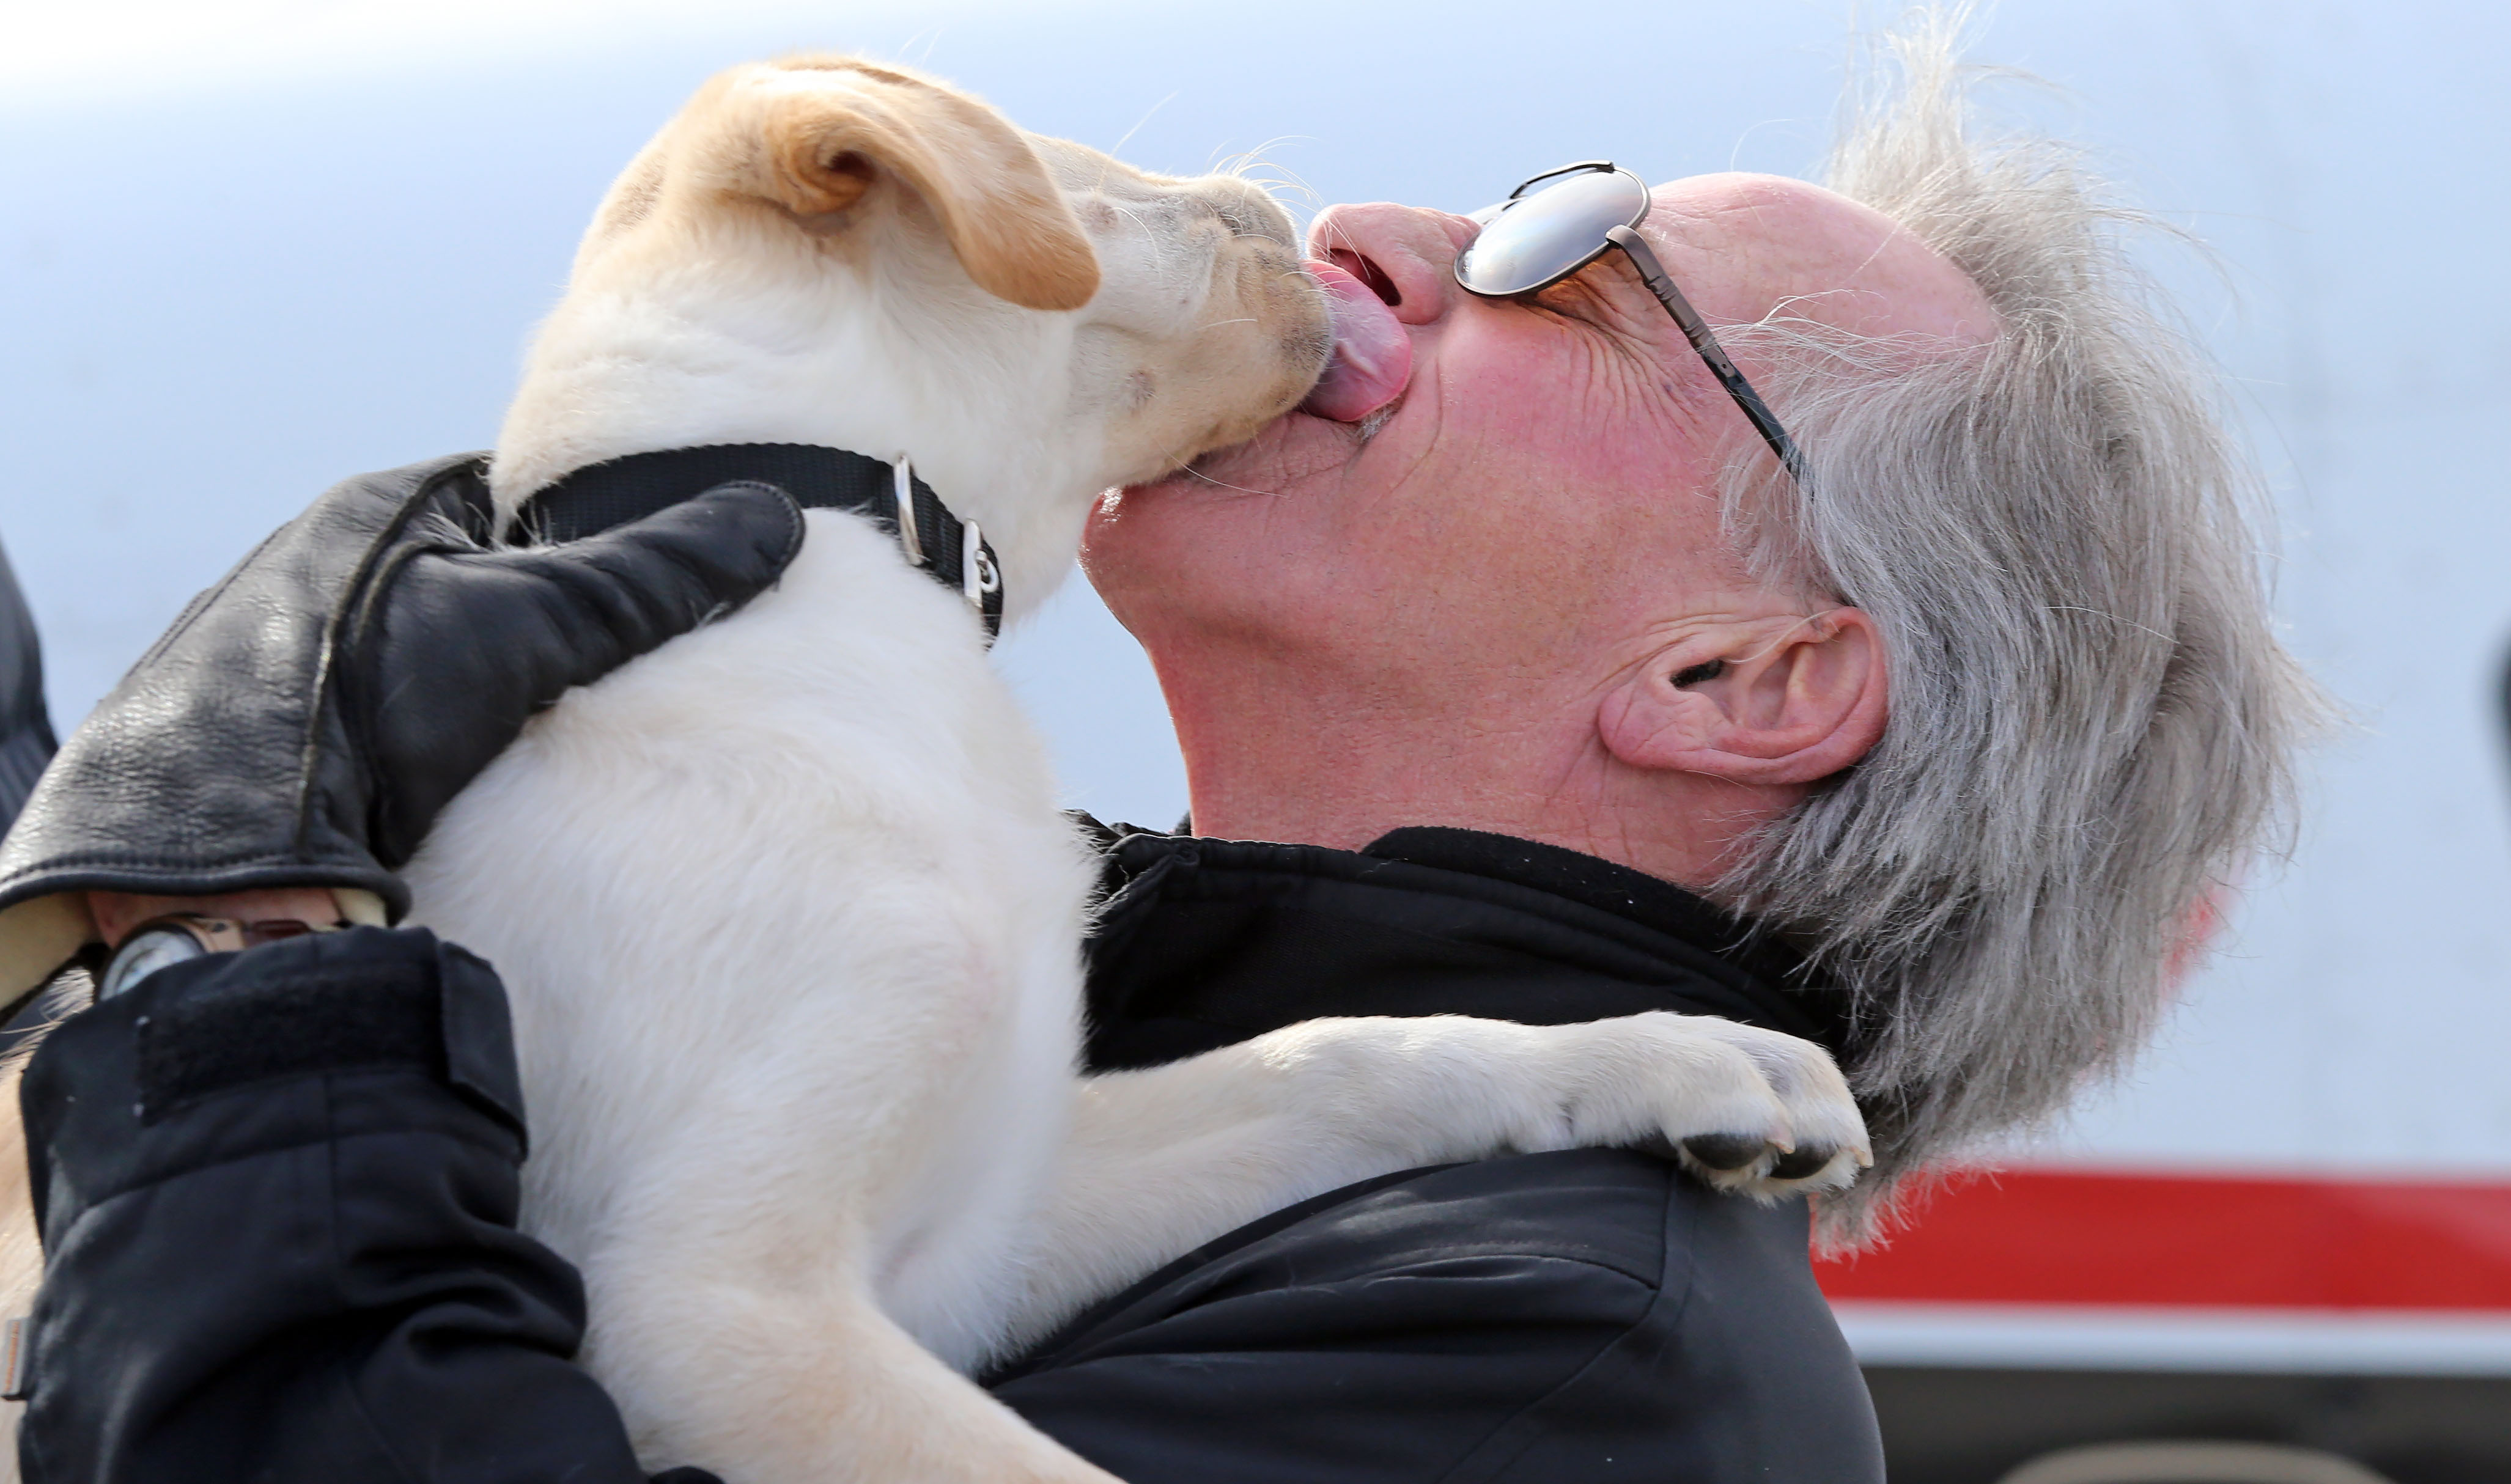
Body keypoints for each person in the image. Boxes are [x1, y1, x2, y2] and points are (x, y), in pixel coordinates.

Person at [0, 22, 2317, 1484]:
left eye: (1571, 258)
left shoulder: (1560, 1362)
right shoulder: (1245, 1106)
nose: (1375, 230)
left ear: (1743, 679)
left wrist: (218, 962)